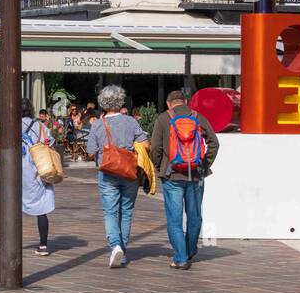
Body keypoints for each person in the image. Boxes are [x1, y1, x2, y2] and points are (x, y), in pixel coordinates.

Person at [149, 89, 219, 270]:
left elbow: (155, 148)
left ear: (168, 104)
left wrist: (159, 167)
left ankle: (180, 258)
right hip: (195, 174)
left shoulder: (163, 119)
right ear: (186, 102)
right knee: (194, 216)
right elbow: (214, 142)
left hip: (172, 174)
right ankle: (189, 250)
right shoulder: (198, 117)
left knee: (174, 219)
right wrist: (204, 164)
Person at [86, 84, 145, 268]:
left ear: (102, 103)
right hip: (129, 171)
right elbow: (145, 143)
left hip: (107, 172)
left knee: (110, 211)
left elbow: (90, 152)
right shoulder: (131, 122)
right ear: (121, 101)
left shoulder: (97, 125)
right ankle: (123, 251)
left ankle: (115, 245)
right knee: (126, 211)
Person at [20, 98, 55, 255]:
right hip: (40, 169)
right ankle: (43, 245)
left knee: (13, 206)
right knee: (42, 208)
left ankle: (8, 240)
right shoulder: (40, 126)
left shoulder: (13, 125)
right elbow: (50, 142)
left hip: (19, 171)